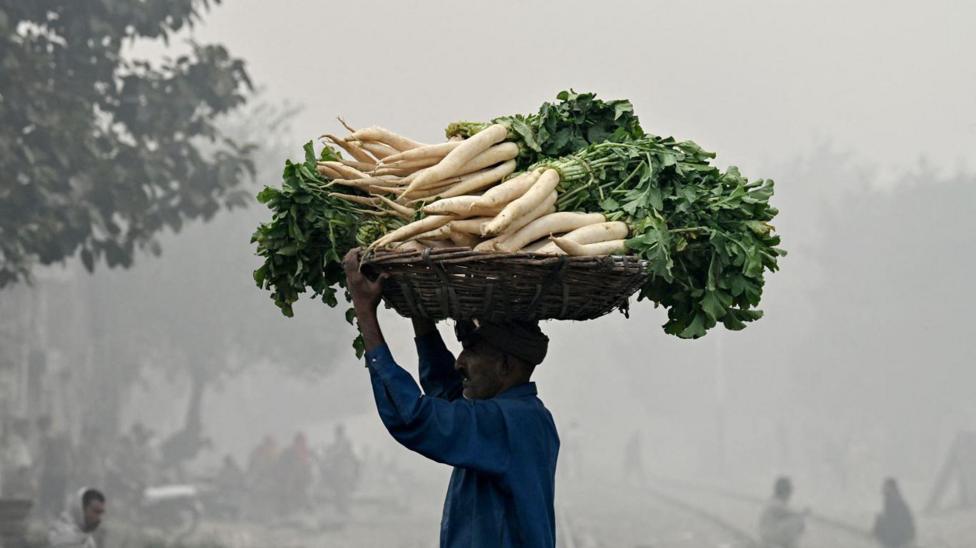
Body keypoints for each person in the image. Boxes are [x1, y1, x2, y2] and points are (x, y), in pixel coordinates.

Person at [343, 249, 560, 547]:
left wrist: (365, 310)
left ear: (505, 366)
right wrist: (419, 309)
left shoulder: (510, 422)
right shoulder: (518, 415)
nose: (459, 363)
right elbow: (446, 394)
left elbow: (415, 418)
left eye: (471, 351)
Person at [758, 476, 808, 548]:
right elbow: (789, 512)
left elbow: (788, 512)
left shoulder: (773, 501)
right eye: (789, 491)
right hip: (769, 536)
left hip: (766, 535)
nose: (790, 495)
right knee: (796, 521)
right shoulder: (776, 503)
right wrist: (803, 514)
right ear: (783, 491)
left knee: (796, 521)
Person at [873, 478, 916, 548]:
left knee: (880, 519)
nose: (884, 488)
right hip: (904, 534)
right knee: (880, 518)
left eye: (886, 486)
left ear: (892, 488)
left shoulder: (893, 499)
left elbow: (895, 520)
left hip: (901, 536)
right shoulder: (893, 498)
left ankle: (885, 539)